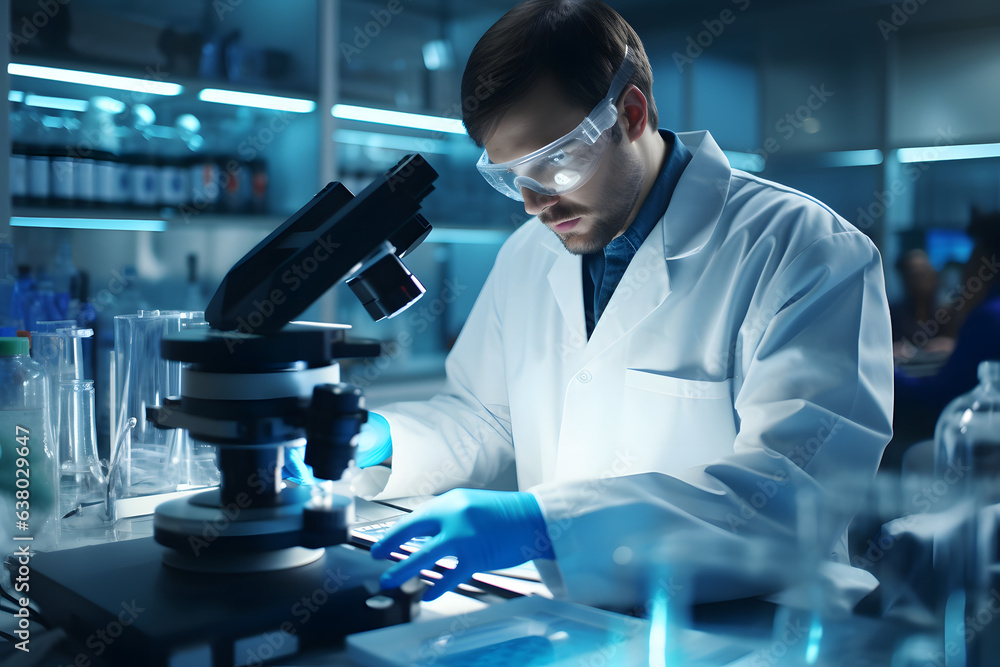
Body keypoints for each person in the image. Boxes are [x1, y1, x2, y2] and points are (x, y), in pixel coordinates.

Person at [326, 0, 894, 608]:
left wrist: (547, 524)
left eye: (556, 163)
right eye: (511, 175)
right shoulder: (527, 254)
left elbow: (792, 497)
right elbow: (486, 417)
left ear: (630, 112)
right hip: (571, 618)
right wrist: (386, 438)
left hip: (744, 626)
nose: (534, 203)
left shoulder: (804, 249)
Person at [891, 211, 1000, 449]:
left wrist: (884, 372)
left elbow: (939, 396)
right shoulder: (895, 310)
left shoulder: (986, 318)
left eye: (972, 258)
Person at [889, 249, 953, 364]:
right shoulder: (893, 313)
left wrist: (951, 344)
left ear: (934, 275)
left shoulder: (948, 311)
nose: (919, 280)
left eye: (923, 273)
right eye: (912, 275)